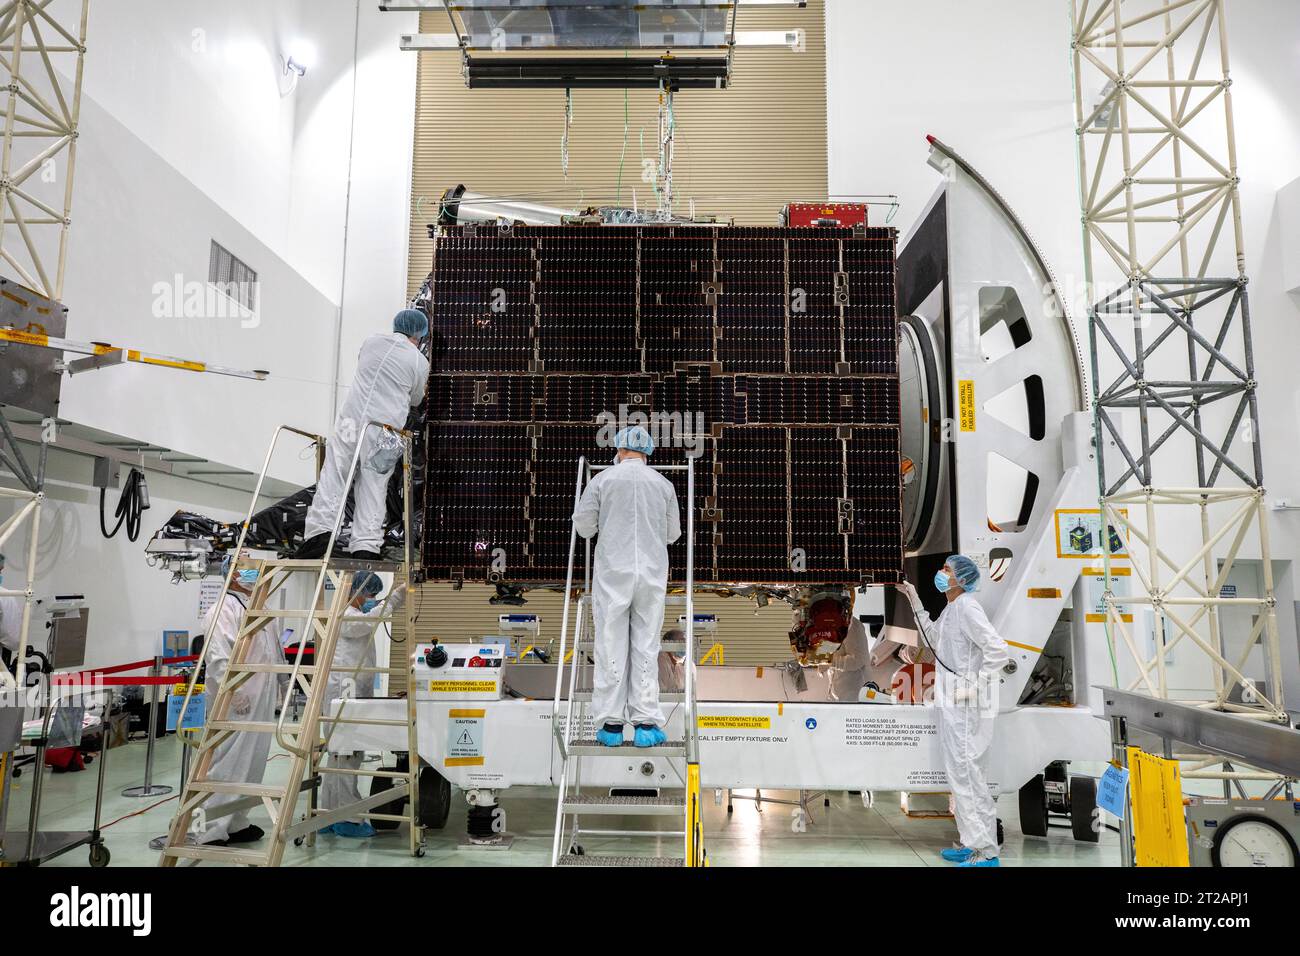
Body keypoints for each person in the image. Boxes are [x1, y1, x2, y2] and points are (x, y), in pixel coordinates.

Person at [573, 426, 681, 748]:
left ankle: (611, 725)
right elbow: (672, 534)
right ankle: (646, 723)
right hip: (650, 574)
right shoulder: (663, 485)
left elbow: (583, 526)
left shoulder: (603, 480)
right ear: (647, 452)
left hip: (612, 575)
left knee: (610, 645)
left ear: (619, 450)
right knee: (646, 645)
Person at [897, 555, 1008, 867]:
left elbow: (997, 650)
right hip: (952, 705)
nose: (941, 573)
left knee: (969, 779)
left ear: (962, 578)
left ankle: (985, 853)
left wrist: (977, 685)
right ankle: (970, 843)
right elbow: (934, 639)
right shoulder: (952, 608)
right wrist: (914, 598)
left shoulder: (969, 607)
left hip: (966, 706)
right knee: (960, 778)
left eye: (947, 569)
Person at [299, 309, 431, 561]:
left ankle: (319, 535)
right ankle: (366, 546)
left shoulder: (371, 342)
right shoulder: (418, 361)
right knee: (374, 485)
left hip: (352, 421)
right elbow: (416, 399)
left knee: (335, 475)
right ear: (420, 334)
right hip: (386, 431)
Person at [193, 559, 284, 846]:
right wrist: (237, 692)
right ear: (231, 575)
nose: (254, 573)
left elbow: (274, 650)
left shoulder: (258, 607)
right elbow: (219, 656)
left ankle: (236, 822)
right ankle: (210, 829)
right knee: (227, 762)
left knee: (253, 760)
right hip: (236, 698)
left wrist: (284, 685)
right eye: (247, 567)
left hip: (262, 697)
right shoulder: (223, 609)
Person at [320, 570, 406, 838]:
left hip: (351, 692)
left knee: (339, 755)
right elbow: (366, 624)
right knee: (345, 755)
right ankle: (347, 818)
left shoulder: (354, 614)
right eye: (369, 594)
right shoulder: (346, 616)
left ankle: (328, 815)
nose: (372, 599)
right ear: (355, 591)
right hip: (344, 693)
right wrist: (391, 601)